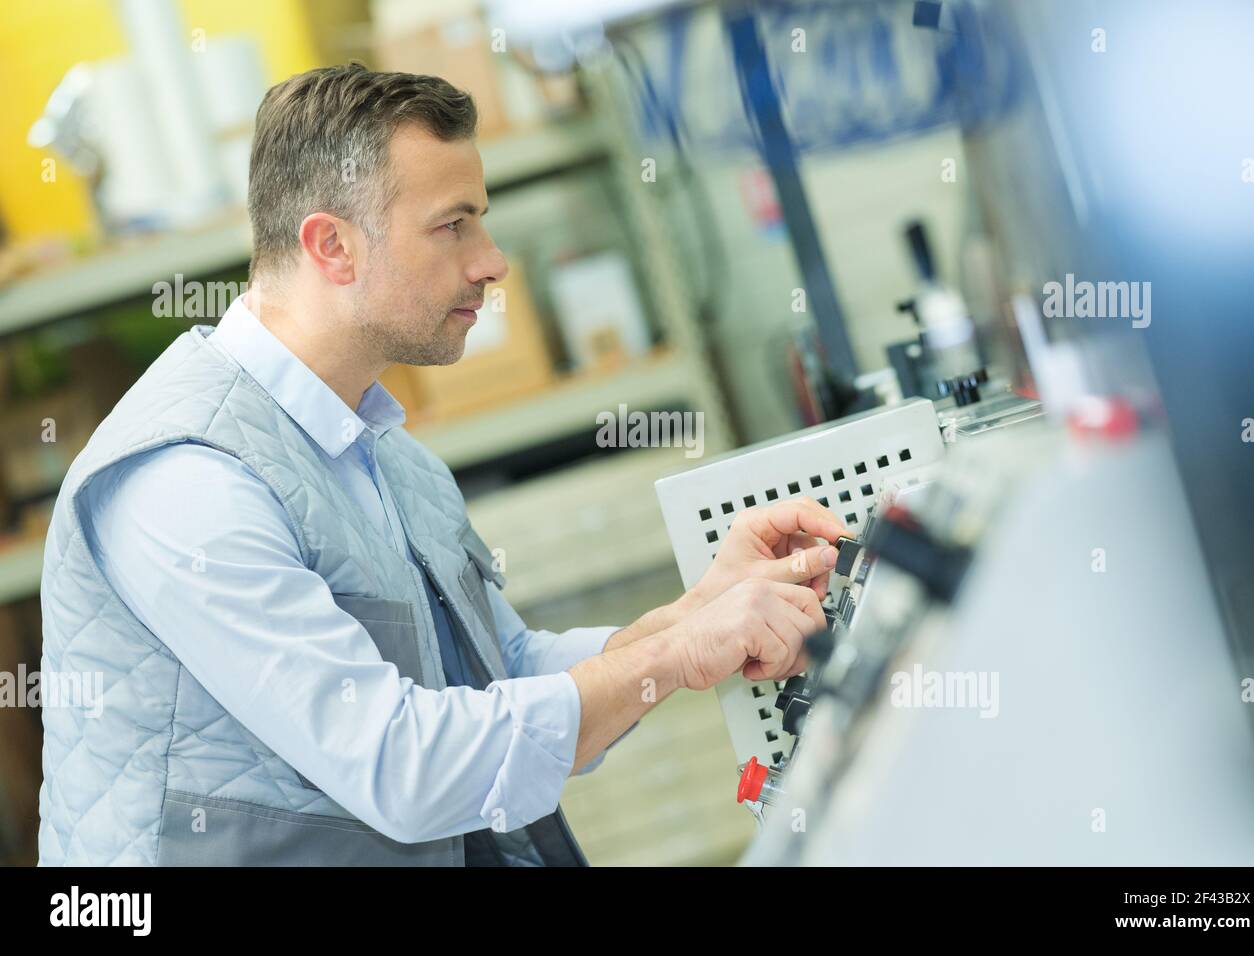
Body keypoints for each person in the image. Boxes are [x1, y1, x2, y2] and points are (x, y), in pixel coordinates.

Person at [38, 64, 845, 866]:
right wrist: (675, 655)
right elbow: (404, 768)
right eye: (453, 225)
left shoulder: (389, 454)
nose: (493, 262)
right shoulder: (185, 481)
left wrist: (697, 613)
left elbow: (506, 678)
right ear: (333, 246)